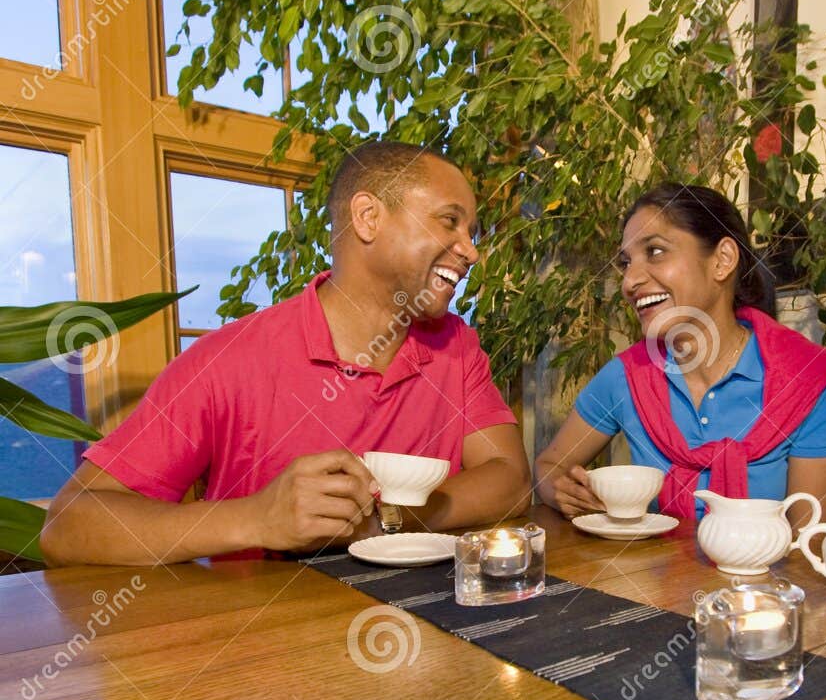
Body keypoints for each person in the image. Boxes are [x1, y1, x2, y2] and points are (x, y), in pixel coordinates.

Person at [42, 142, 531, 564]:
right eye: (450, 222)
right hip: (271, 639)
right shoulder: (228, 360)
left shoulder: (456, 347)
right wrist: (257, 519)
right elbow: (67, 525)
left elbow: (510, 480)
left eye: (472, 232)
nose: (470, 251)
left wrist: (382, 519)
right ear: (368, 217)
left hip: (427, 623)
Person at [535, 182, 826, 522]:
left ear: (722, 260)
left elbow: (808, 542)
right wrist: (560, 492)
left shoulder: (809, 381)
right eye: (626, 262)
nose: (629, 282)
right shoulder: (627, 375)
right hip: (648, 560)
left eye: (655, 251)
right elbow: (550, 465)